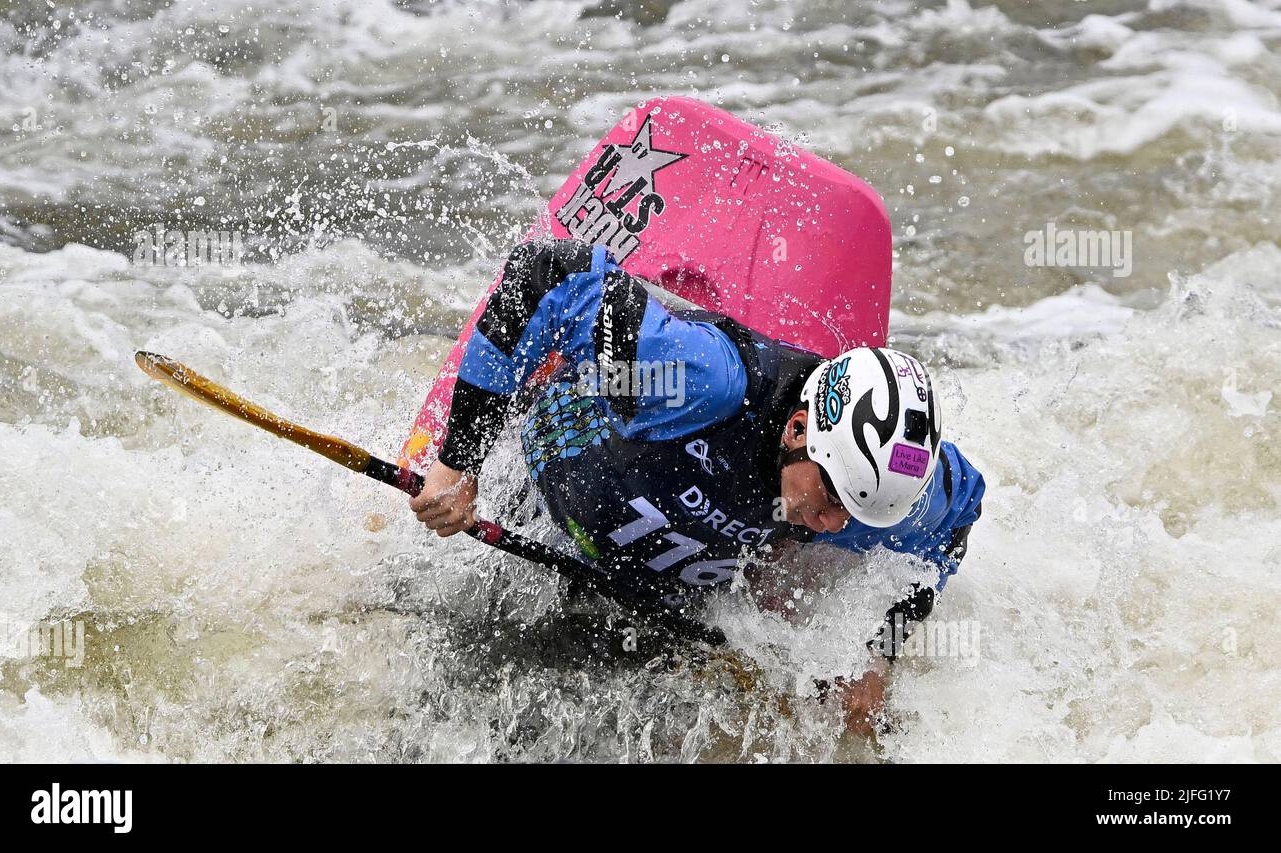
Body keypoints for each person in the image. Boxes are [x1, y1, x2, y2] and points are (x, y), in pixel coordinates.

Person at [411, 237, 985, 735]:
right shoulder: (700, 381)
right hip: (532, 505)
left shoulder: (878, 490)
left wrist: (878, 657)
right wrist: (460, 462)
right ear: (798, 429)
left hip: (654, 608)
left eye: (856, 512)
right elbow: (546, 273)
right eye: (834, 499)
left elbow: (956, 524)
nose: (837, 525)